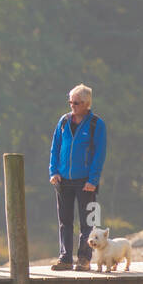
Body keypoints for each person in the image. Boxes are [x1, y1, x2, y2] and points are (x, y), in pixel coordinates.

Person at [48, 84, 107, 272]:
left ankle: (84, 258)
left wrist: (93, 179)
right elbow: (55, 147)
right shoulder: (64, 121)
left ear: (87, 104)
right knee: (65, 221)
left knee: (87, 222)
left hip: (85, 181)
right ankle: (65, 258)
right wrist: (53, 171)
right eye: (70, 102)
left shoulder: (96, 124)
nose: (72, 105)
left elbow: (100, 153)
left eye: (76, 102)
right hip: (63, 179)